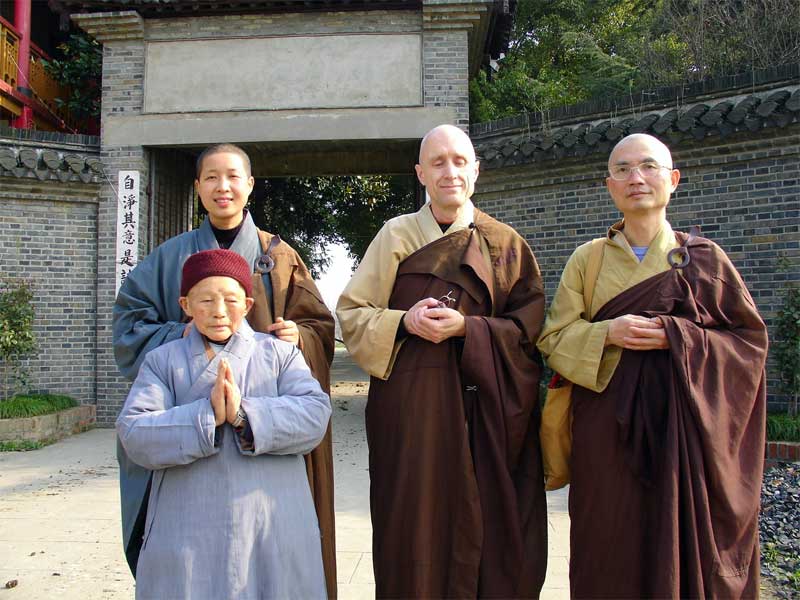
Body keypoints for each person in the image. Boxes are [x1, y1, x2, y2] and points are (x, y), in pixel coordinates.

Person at [537, 133, 768, 598]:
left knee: (681, 543)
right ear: (609, 186)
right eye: (622, 169)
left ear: (673, 180)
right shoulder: (588, 260)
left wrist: (676, 337)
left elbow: (748, 344)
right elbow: (553, 340)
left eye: (648, 166)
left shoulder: (704, 259)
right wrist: (607, 333)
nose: (636, 178)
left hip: (683, 434)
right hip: (606, 435)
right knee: (606, 549)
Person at [112, 144, 337, 597]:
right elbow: (129, 328)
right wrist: (185, 341)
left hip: (267, 415)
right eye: (211, 178)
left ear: (250, 184)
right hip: (189, 418)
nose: (223, 187)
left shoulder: (282, 256)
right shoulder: (167, 259)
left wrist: (297, 336)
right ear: (197, 187)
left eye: (233, 176)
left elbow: (320, 328)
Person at [336, 124, 548, 598]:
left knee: (493, 527)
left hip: (488, 415)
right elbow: (351, 314)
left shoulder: (506, 244)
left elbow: (529, 333)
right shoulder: (395, 235)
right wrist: (404, 321)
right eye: (437, 162)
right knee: (414, 525)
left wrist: (469, 329)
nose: (449, 171)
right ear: (420, 173)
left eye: (458, 161)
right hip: (414, 413)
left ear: (476, 170)